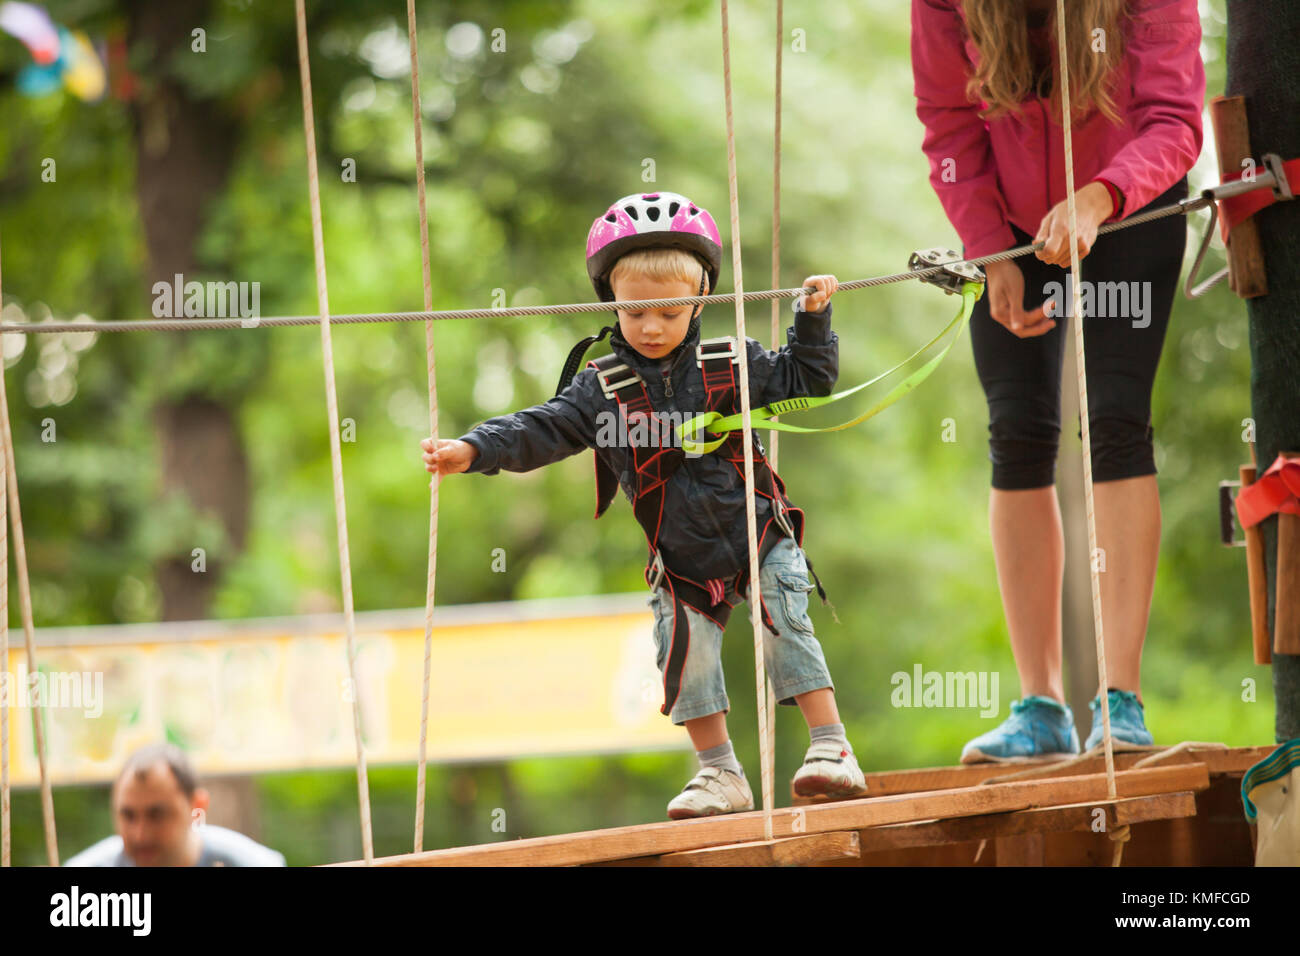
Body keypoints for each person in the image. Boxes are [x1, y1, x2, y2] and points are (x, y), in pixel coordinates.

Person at [422, 190, 865, 817]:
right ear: (612, 306)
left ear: (699, 301)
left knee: (786, 623)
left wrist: (813, 319)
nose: (651, 327)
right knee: (684, 653)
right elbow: (540, 428)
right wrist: (473, 448)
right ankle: (719, 773)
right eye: (635, 313)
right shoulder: (601, 389)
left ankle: (831, 747)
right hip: (679, 551)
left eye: (667, 312)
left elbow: (808, 379)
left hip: (757, 531)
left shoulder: (733, 363)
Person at [911, 0, 1203, 761]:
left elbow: (1175, 120)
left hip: (1130, 203)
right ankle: (1039, 708)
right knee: (1016, 432)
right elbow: (947, 128)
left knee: (1115, 422)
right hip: (1007, 220)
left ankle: (1121, 699)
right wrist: (989, 250)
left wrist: (1098, 197)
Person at [64, 743, 286, 866]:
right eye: (128, 815)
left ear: (197, 807)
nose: (140, 834)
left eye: (157, 814)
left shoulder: (253, 864)